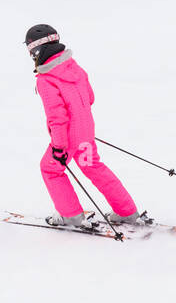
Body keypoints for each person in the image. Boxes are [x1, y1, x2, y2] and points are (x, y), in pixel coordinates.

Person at [25, 24, 138, 226]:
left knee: (50, 169)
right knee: (92, 166)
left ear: (37, 51)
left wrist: (59, 147)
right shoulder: (75, 68)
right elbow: (90, 98)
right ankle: (126, 211)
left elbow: (57, 118)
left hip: (67, 138)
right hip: (85, 133)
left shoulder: (46, 79)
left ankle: (71, 215)